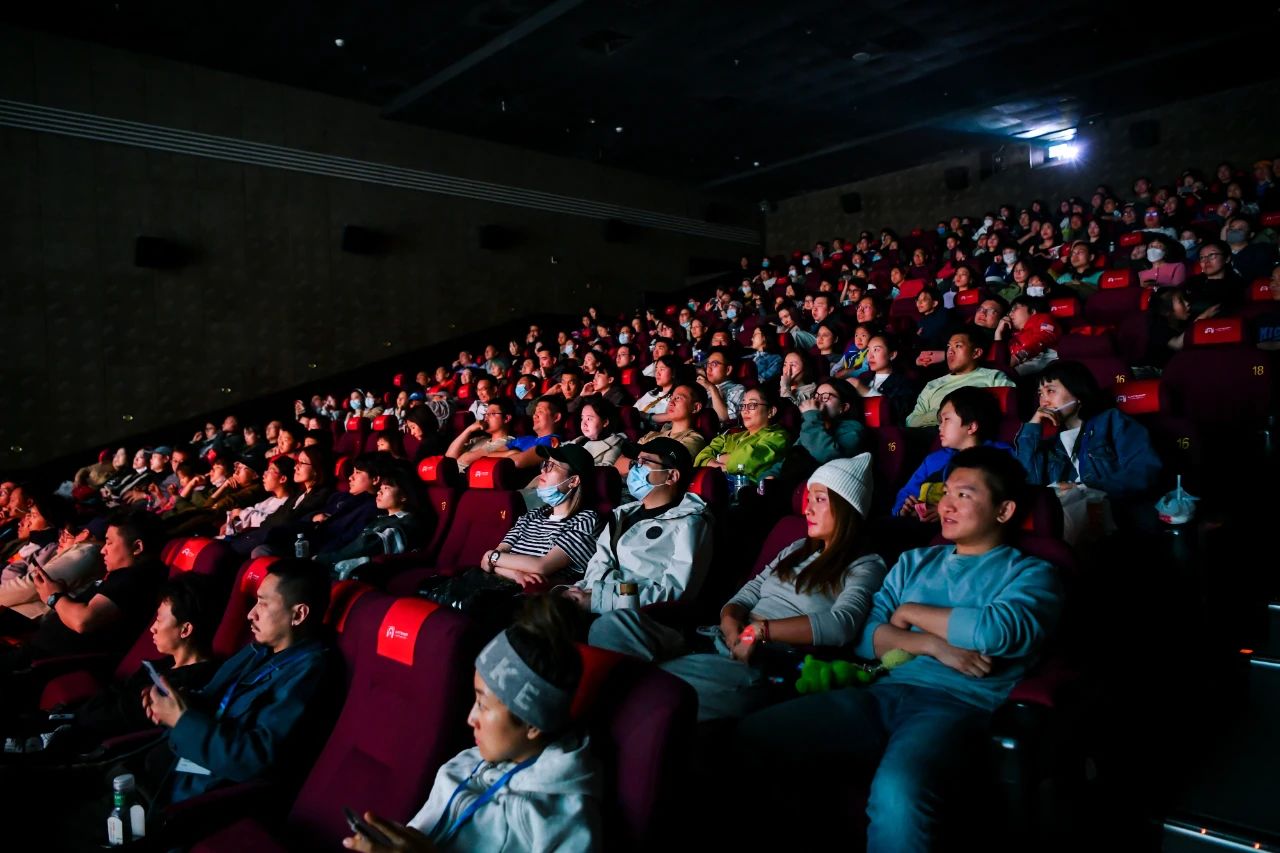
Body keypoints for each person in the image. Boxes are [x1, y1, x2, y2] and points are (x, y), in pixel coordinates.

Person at [737, 447, 1064, 852]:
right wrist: (933, 645)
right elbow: (867, 637)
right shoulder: (915, 562)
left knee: (898, 790)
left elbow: (995, 631)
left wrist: (910, 612)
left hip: (957, 705)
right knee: (753, 737)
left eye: (963, 495)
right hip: (882, 692)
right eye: (945, 492)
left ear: (1004, 510)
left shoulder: (1033, 573)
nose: (946, 505)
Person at [342, 597, 600, 853]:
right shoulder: (463, 764)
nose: (470, 718)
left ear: (532, 723)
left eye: (483, 705)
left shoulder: (560, 821)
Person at [659, 456, 887, 721]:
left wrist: (757, 632)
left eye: (820, 500)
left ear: (847, 507)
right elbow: (750, 590)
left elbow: (841, 624)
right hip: (723, 638)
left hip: (762, 659)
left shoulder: (865, 564)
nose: (808, 510)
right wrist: (730, 623)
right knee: (623, 627)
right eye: (809, 499)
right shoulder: (797, 548)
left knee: (652, 686)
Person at [142, 559, 343, 807]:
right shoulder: (258, 650)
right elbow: (214, 698)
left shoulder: (309, 672)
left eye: (263, 603)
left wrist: (181, 720)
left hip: (205, 796)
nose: (251, 613)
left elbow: (254, 757)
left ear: (298, 614)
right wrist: (179, 701)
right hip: (178, 766)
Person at [3, 573, 220, 757]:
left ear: (185, 630)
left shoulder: (185, 687)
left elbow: (121, 723)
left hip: (84, 747)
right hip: (71, 721)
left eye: (160, 620)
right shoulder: (163, 664)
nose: (153, 628)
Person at [0, 512, 166, 682]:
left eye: (109, 542)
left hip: (47, 664)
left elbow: (83, 621)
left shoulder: (135, 579)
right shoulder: (125, 576)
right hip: (38, 651)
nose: (103, 550)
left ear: (137, 547)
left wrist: (54, 597)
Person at [566, 438, 713, 619]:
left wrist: (599, 600)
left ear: (671, 476)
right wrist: (572, 593)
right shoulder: (621, 515)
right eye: (636, 462)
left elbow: (675, 591)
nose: (635, 468)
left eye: (645, 462)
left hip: (639, 617)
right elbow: (597, 569)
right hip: (594, 605)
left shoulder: (690, 523)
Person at [1012, 360, 1162, 502]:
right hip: (1072, 516)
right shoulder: (1051, 445)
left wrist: (1083, 489)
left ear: (1077, 392)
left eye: (1050, 390)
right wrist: (1032, 427)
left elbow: (1144, 471)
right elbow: (1027, 485)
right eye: (1040, 394)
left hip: (1114, 510)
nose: (1043, 401)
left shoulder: (1112, 422)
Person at [477, 445, 602, 590]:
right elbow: (487, 562)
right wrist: (517, 574)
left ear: (573, 481)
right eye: (545, 464)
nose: (543, 470)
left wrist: (492, 557)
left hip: (534, 597)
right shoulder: (533, 515)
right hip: (498, 586)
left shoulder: (586, 521)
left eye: (551, 466)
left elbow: (541, 566)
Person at [894, 387, 1011, 518]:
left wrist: (944, 511)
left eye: (947, 420)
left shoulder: (999, 457)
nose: (940, 427)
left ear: (971, 426)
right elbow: (907, 493)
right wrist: (903, 509)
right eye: (940, 421)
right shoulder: (933, 460)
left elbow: (995, 500)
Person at [317, 467, 426, 579]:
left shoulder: (405, 523)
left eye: (386, 488)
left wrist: (323, 559)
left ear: (403, 496)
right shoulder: (382, 518)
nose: (379, 492)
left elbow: (367, 547)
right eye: (380, 487)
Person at [764, 380, 866, 487]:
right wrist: (770, 475)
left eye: (826, 397)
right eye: (816, 396)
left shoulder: (853, 429)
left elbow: (825, 455)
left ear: (843, 407)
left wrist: (811, 416)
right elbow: (787, 461)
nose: (818, 401)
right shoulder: (812, 425)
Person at [905, 330, 1015, 428]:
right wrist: (940, 414)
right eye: (948, 347)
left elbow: (1010, 410)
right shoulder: (933, 384)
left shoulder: (993, 377)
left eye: (957, 346)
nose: (950, 351)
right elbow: (911, 421)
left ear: (976, 353)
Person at [694, 386, 792, 484]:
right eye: (743, 405)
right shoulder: (729, 437)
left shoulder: (778, 437)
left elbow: (748, 459)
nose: (745, 410)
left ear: (771, 411)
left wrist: (717, 459)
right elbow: (700, 458)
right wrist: (722, 465)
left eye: (752, 405)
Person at [993, 295, 1061, 375]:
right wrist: (998, 334)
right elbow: (1001, 363)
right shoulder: (1013, 336)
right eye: (1009, 311)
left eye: (1014, 308)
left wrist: (1019, 356)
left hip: (1048, 362)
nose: (1010, 314)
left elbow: (1043, 337)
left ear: (1032, 311)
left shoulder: (1043, 318)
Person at [446, 398, 515, 472]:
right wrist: (468, 430)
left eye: (492, 413)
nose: (486, 418)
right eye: (486, 414)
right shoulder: (480, 439)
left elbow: (465, 459)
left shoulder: (507, 442)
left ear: (506, 418)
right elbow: (449, 458)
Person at [568, 396, 626, 467]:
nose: (583, 424)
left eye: (589, 419)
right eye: (582, 418)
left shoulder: (614, 444)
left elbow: (606, 469)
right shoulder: (580, 440)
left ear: (605, 422)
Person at [697, 346, 745, 424]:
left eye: (714, 364)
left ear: (728, 370)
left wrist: (712, 389)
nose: (708, 369)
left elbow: (723, 417)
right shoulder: (702, 386)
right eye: (708, 364)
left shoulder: (738, 389)